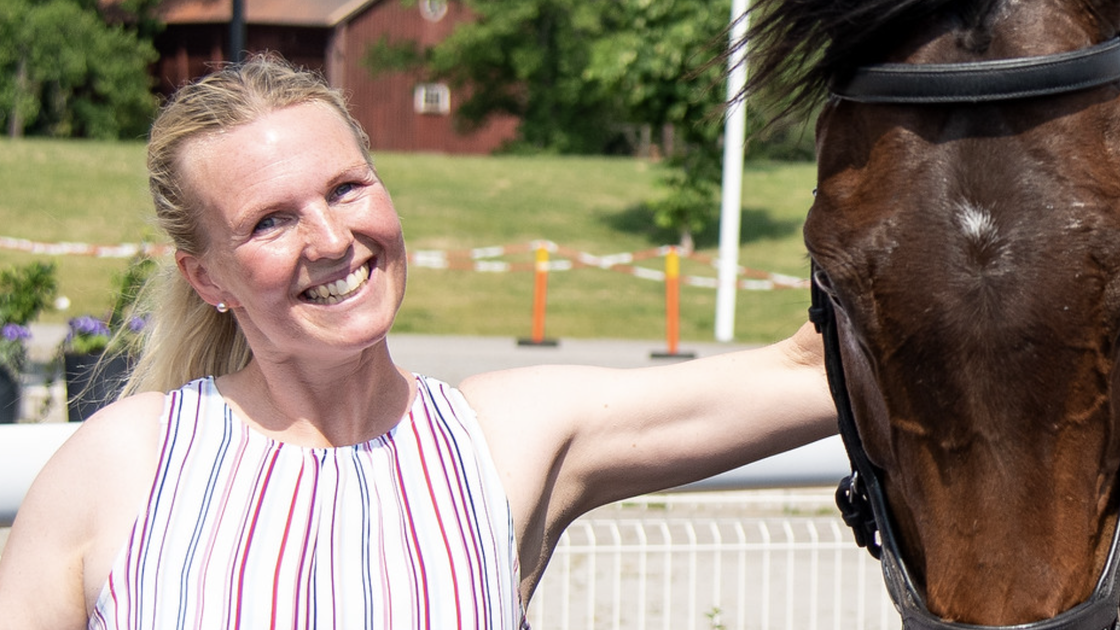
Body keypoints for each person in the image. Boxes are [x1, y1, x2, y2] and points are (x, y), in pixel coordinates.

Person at [0, 55, 837, 629]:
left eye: (346, 187)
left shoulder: (502, 440)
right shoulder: (121, 464)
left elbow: (813, 372)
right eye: (270, 220)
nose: (330, 239)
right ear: (207, 278)